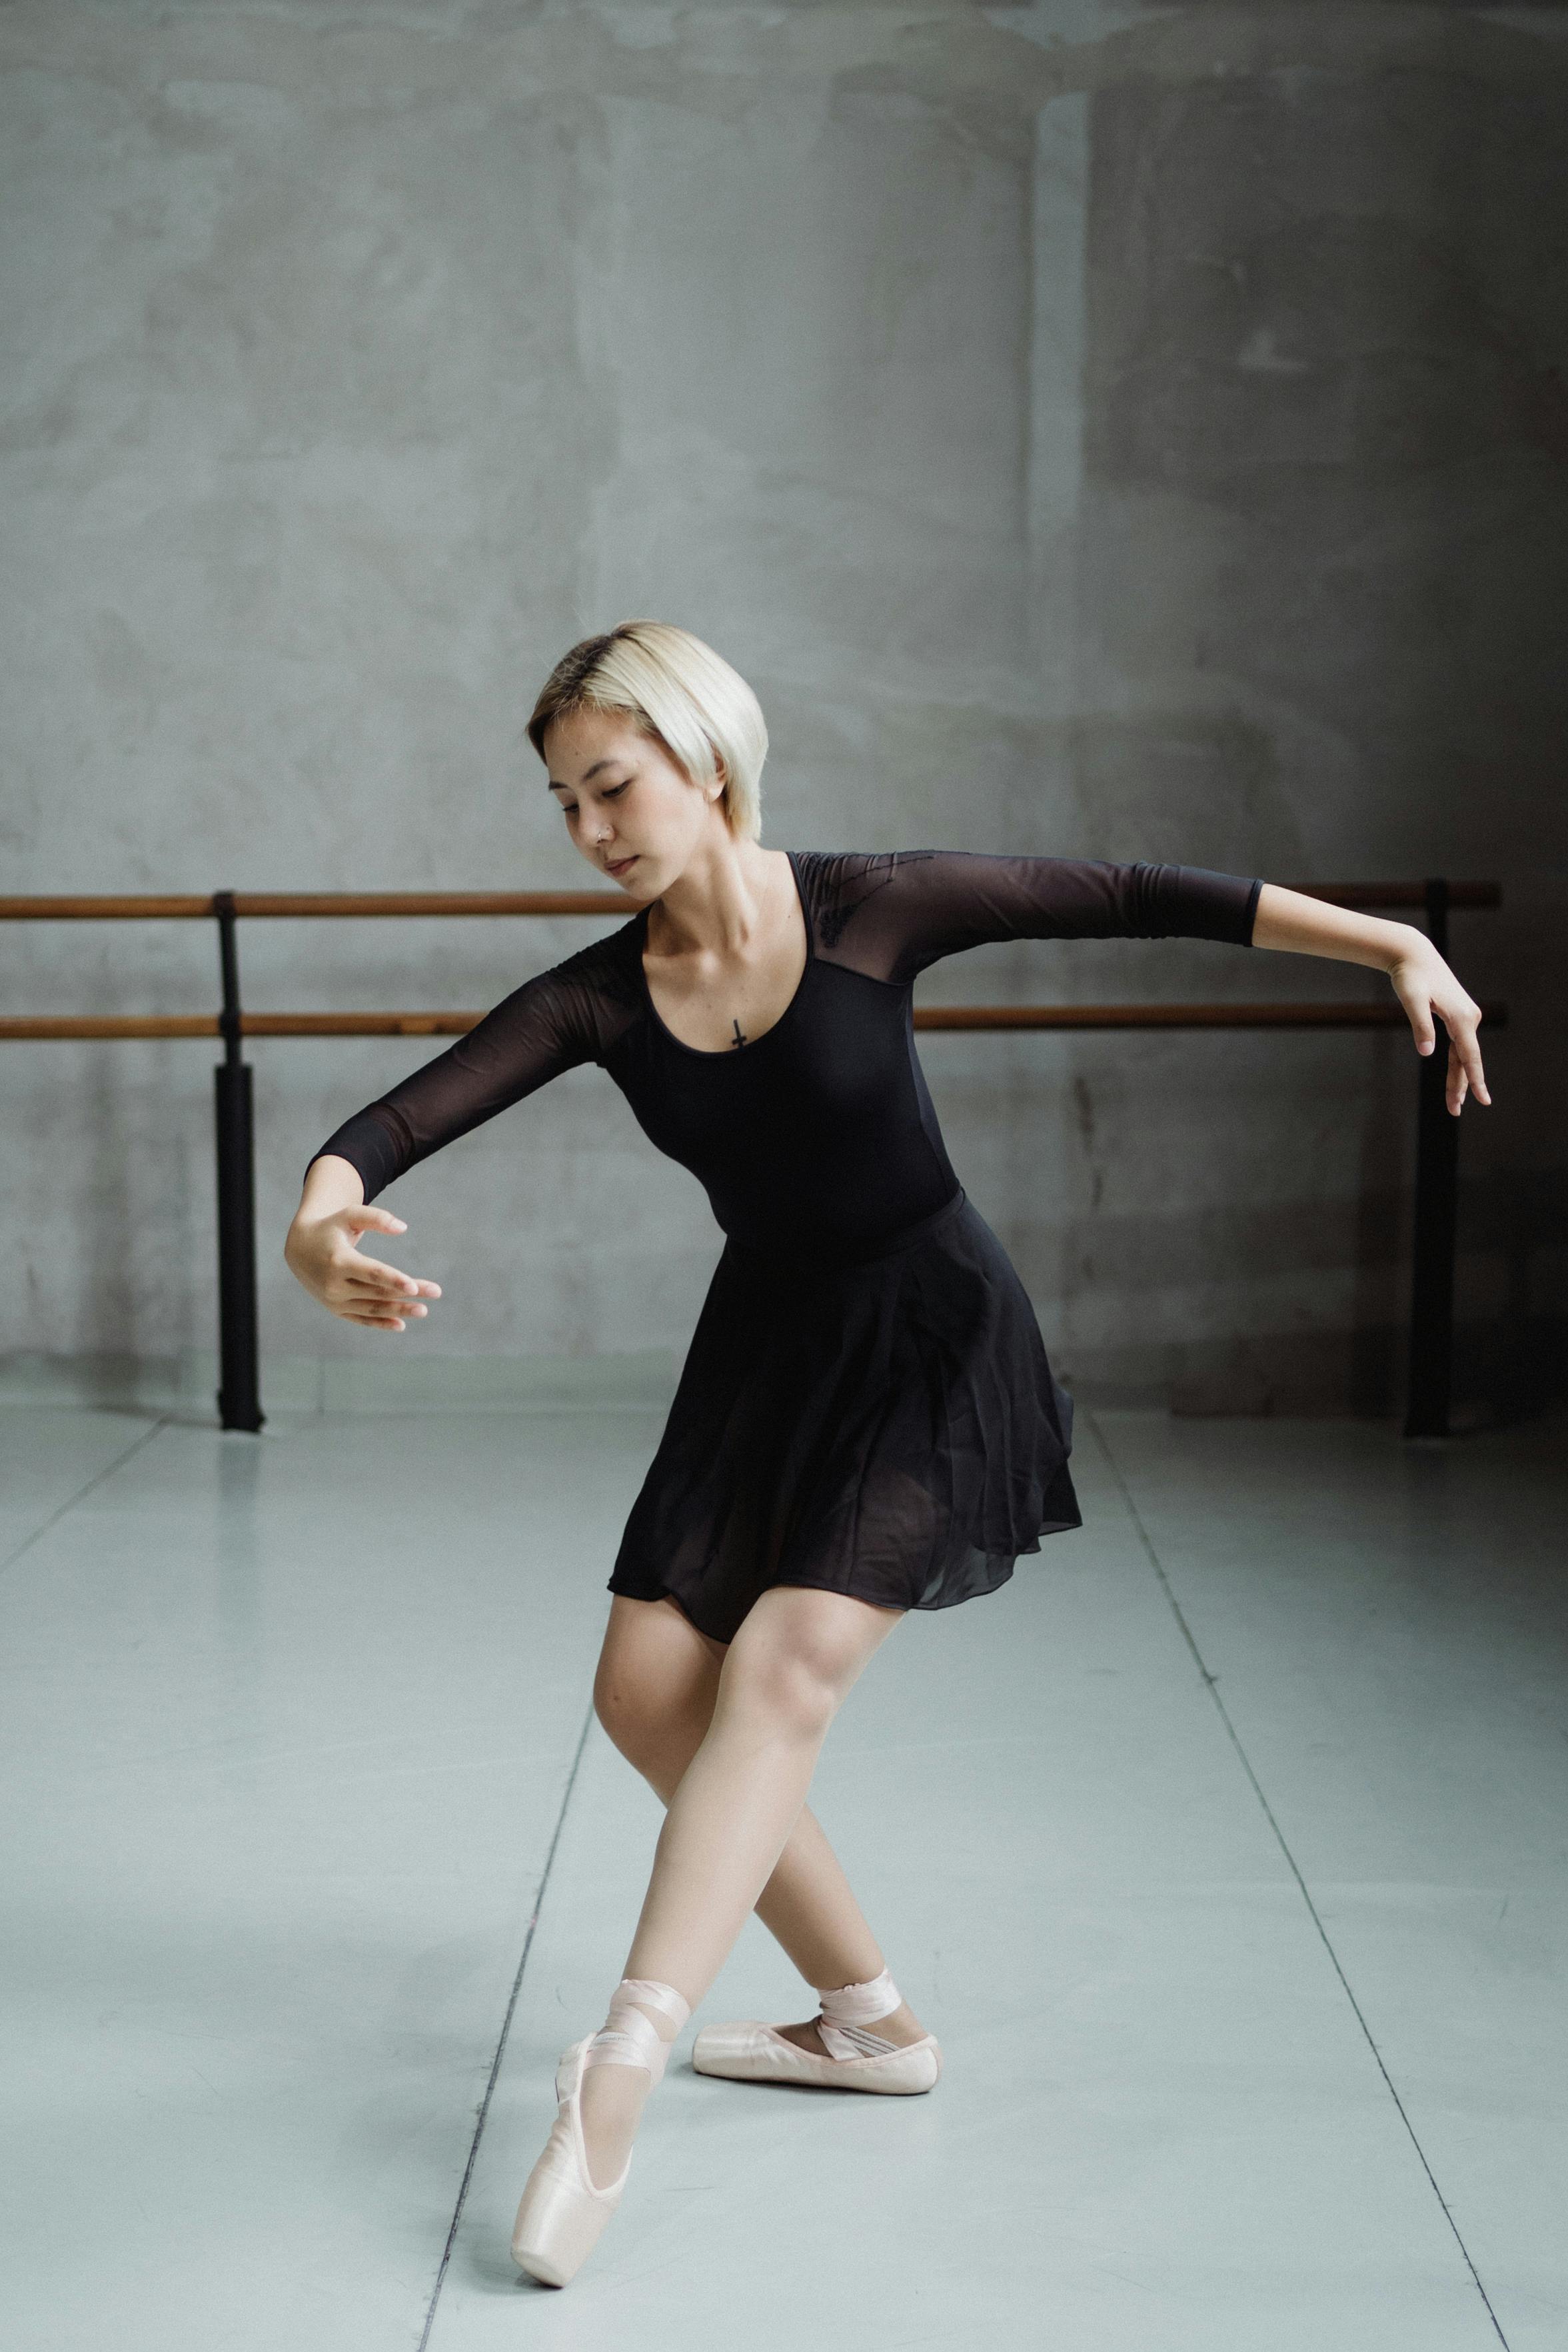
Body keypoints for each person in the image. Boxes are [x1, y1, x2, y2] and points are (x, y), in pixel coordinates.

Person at [283, 621, 1489, 2288]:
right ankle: (869, 2022)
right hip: (765, 1350)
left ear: (704, 759)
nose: (593, 827)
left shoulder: (872, 906)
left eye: (612, 783)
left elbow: (1135, 889)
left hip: (931, 1333)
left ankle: (618, 2061)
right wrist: (315, 1224)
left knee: (779, 1674)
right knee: (646, 1695)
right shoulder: (601, 997)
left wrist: (1391, 946)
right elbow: (396, 1121)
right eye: (563, 801)